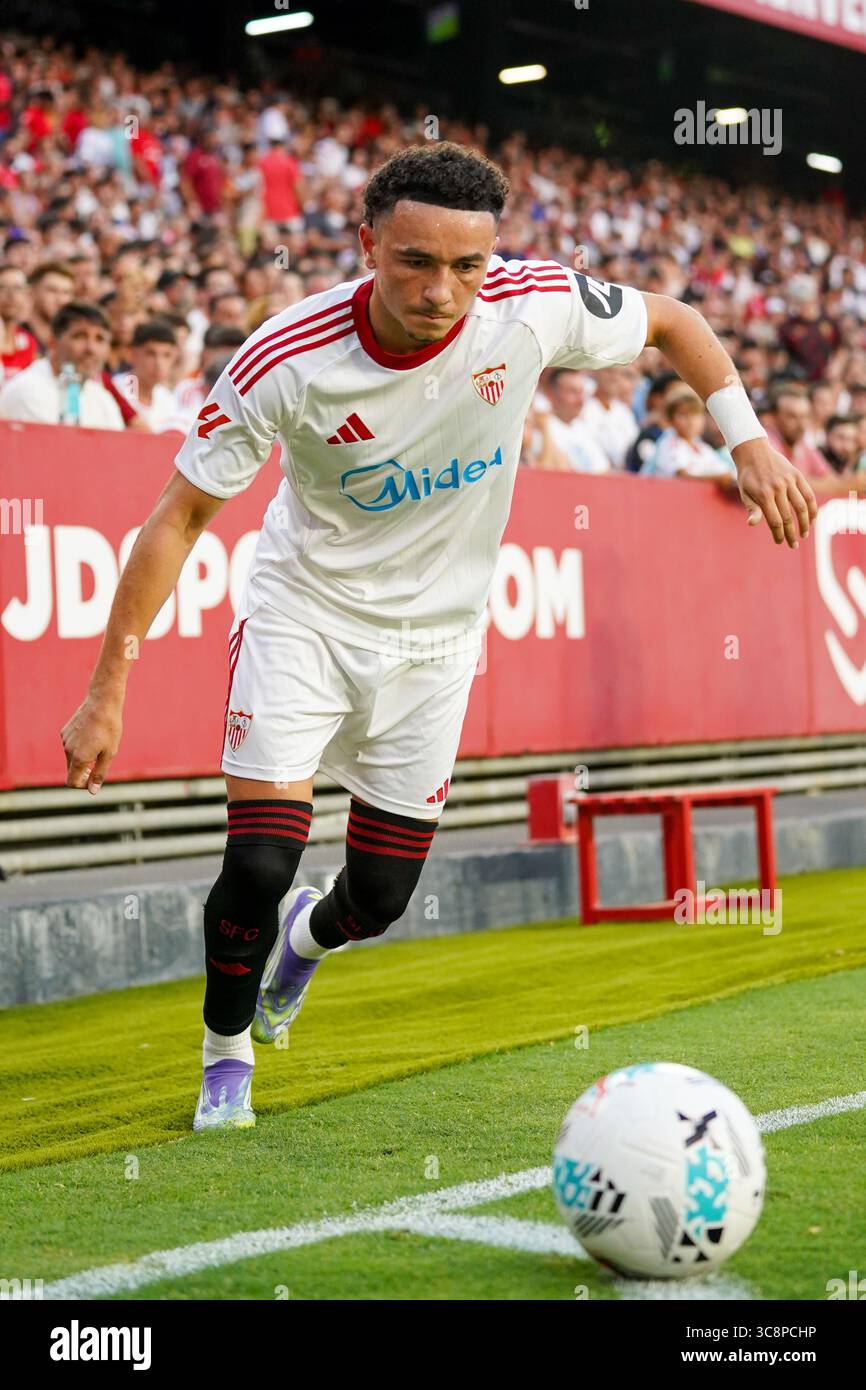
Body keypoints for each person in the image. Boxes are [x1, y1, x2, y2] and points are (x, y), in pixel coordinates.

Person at [60, 142, 815, 1133]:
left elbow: (674, 321)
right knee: (257, 861)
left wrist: (746, 437)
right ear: (367, 242)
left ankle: (306, 944)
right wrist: (106, 685)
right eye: (415, 261)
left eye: (466, 264)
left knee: (375, 896)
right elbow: (177, 518)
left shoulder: (529, 304)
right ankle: (225, 1055)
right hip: (306, 616)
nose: (442, 289)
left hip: (436, 645)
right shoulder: (286, 358)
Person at [0, 299, 123, 428]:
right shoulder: (27, 390)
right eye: (80, 336)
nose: (91, 349)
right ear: (52, 342)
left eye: (100, 339)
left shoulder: (102, 399)